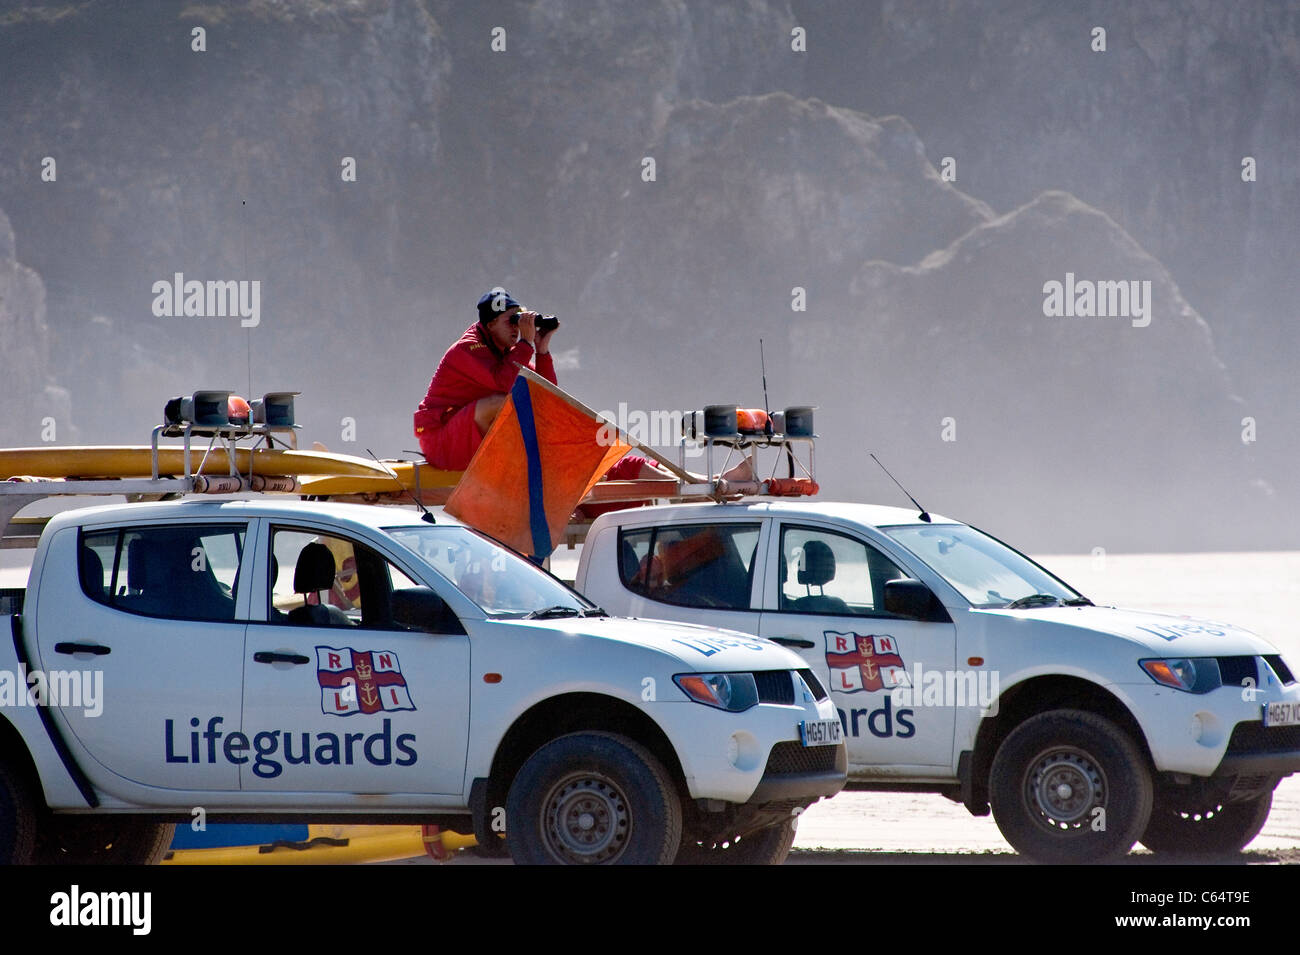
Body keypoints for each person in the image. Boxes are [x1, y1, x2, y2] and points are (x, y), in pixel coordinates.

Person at [414, 288, 559, 470]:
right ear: (491, 324)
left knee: (536, 406)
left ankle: (521, 462)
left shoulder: (508, 354)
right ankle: (513, 464)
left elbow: (548, 396)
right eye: (512, 321)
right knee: (498, 403)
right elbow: (503, 384)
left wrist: (541, 349)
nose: (517, 328)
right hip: (440, 443)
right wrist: (525, 343)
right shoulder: (466, 348)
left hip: (466, 438)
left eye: (519, 321)